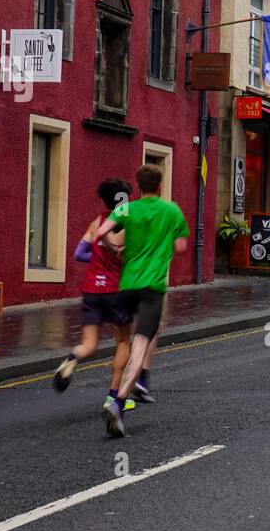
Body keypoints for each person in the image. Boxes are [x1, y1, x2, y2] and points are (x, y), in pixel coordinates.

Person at [92, 164, 190, 437]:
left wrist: (117, 249)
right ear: (159, 186)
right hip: (151, 288)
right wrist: (163, 247)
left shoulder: (127, 209)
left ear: (138, 185)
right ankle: (119, 402)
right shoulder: (171, 210)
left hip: (125, 286)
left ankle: (113, 393)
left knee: (122, 343)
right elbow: (181, 246)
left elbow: (100, 234)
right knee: (140, 345)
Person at [52, 179, 136, 414]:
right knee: (123, 343)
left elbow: (80, 253)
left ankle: (72, 359)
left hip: (91, 289)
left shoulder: (97, 222)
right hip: (116, 290)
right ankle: (113, 398)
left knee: (88, 344)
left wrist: (98, 260)